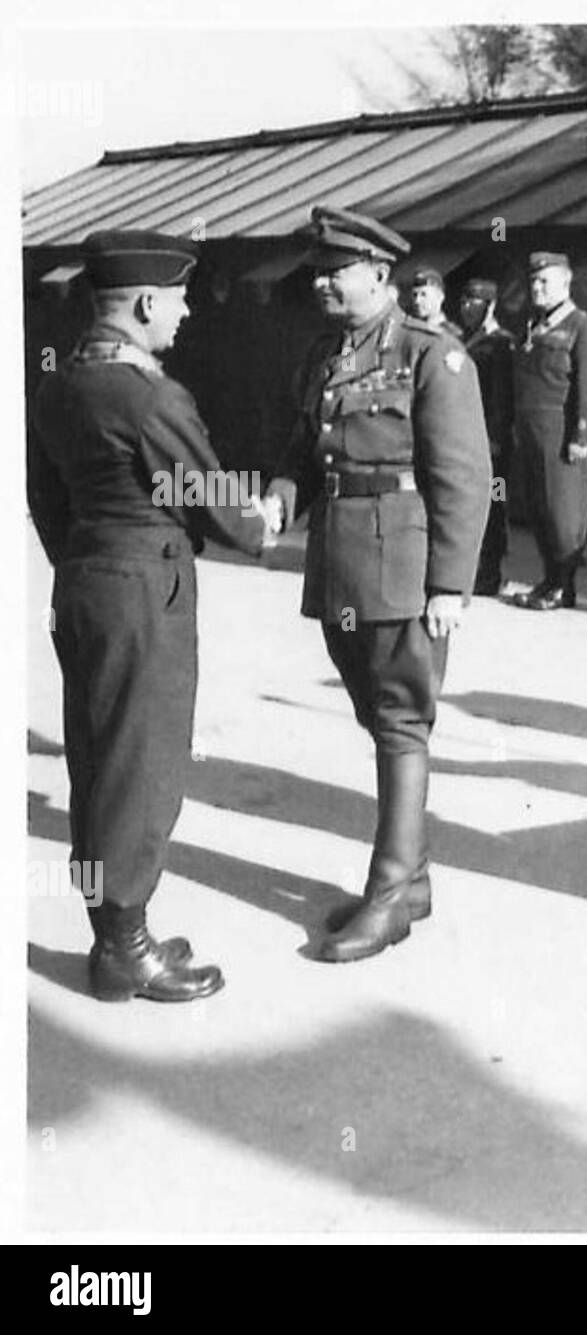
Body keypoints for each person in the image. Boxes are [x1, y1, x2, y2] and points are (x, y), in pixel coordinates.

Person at [27, 230, 277, 1002]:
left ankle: (115, 928)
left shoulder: (61, 385)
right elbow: (215, 499)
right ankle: (126, 951)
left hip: (85, 580)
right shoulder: (150, 396)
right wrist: (265, 516)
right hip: (145, 590)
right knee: (144, 761)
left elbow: (46, 499)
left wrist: (84, 557)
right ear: (142, 303)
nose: (187, 313)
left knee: (97, 757)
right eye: (178, 299)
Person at [267, 207, 491, 964]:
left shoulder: (434, 355)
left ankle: (391, 892)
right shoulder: (324, 353)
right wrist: (277, 497)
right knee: (380, 718)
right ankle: (414, 878)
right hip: (341, 561)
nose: (323, 282)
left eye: (337, 269)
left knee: (400, 723)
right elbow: (307, 448)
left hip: (402, 568)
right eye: (318, 272)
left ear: (380, 274)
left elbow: (463, 476)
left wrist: (450, 585)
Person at [511, 252, 587, 611]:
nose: (537, 288)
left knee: (562, 512)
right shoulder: (533, 326)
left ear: (565, 283)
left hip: (561, 435)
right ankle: (549, 578)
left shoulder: (581, 327)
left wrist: (580, 436)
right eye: (533, 282)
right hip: (532, 433)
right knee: (539, 508)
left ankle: (563, 585)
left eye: (545, 282)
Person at [458, 277, 516, 596]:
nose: (467, 308)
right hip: (465, 437)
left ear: (490, 306)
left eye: (474, 303)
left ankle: (490, 571)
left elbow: (502, 397)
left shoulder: (500, 344)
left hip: (492, 442)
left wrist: (495, 436)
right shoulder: (462, 340)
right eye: (464, 301)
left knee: (494, 502)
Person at [407, 268, 462, 338]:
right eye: (415, 295)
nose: (417, 301)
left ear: (439, 297)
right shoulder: (411, 329)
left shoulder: (450, 334)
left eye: (423, 295)